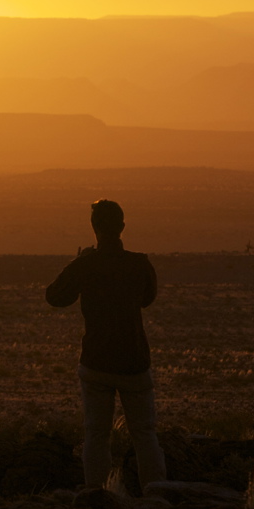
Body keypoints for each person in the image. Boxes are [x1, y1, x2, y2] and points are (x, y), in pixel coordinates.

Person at [46, 198, 164, 491]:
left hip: (96, 362)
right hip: (134, 362)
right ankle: (157, 497)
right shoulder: (139, 264)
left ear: (94, 227)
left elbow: (55, 297)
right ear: (122, 226)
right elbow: (147, 299)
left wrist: (77, 262)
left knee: (96, 435)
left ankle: (96, 497)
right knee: (145, 434)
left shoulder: (86, 265)